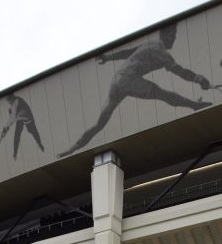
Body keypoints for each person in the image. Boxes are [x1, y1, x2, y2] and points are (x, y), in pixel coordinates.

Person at [59, 23, 211, 157]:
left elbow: (127, 52)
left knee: (100, 124)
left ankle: (72, 149)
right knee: (163, 94)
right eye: (172, 34)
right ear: (164, 34)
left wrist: (107, 58)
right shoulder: (162, 52)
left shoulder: (149, 44)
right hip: (129, 79)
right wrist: (198, 78)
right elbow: (180, 71)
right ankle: (194, 105)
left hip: (116, 81)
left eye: (175, 35)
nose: (174, 38)